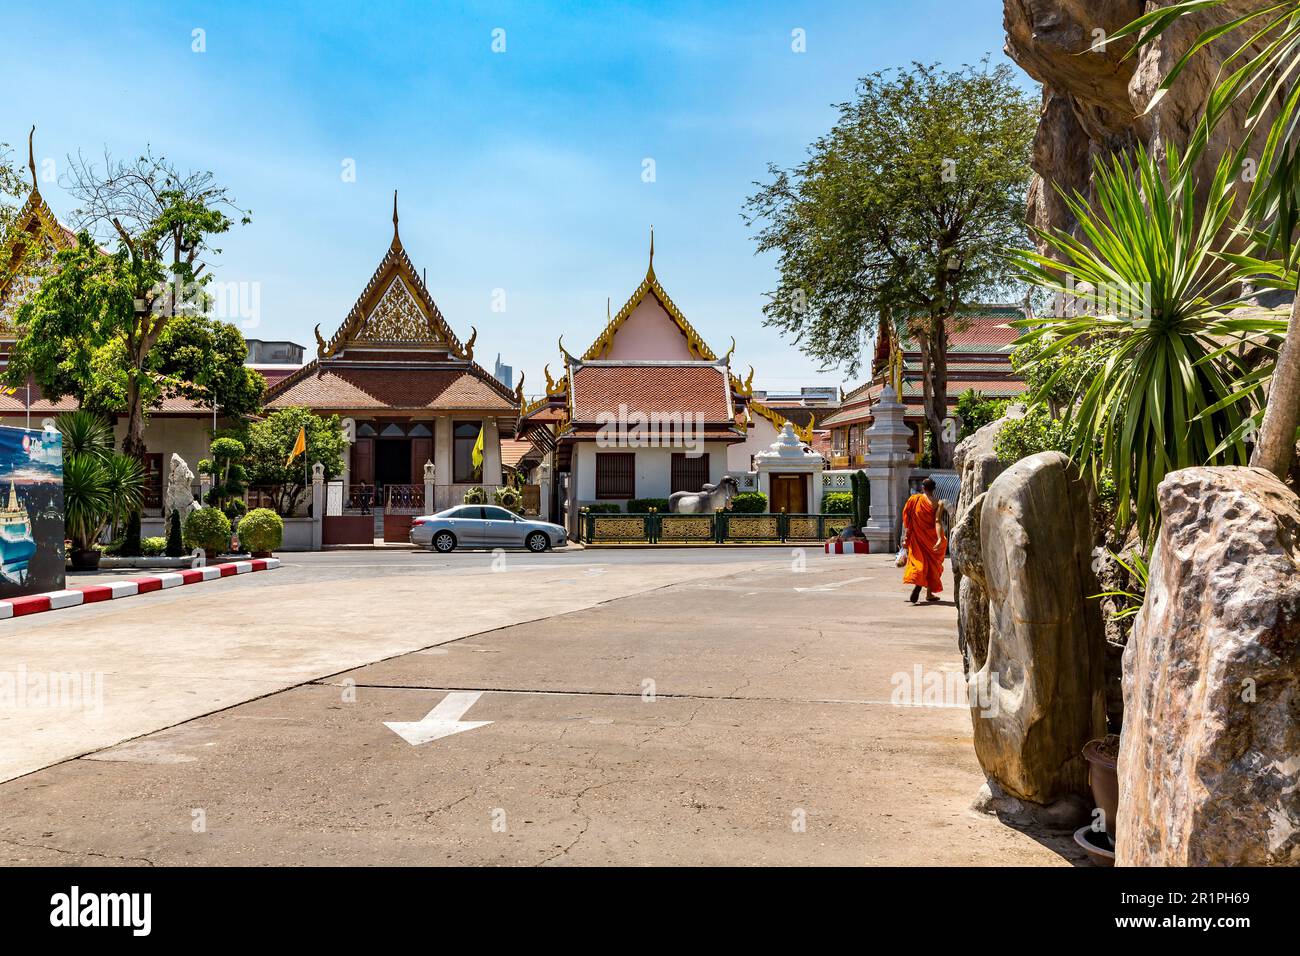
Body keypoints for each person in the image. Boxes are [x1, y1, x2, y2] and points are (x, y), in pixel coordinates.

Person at [901, 477, 947, 604]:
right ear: (934, 489)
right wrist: (939, 539)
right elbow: (937, 521)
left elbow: (907, 520)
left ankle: (920, 584)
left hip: (917, 537)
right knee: (932, 564)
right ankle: (929, 593)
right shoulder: (939, 503)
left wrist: (906, 536)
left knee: (919, 561)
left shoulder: (914, 500)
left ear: (922, 488)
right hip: (931, 538)